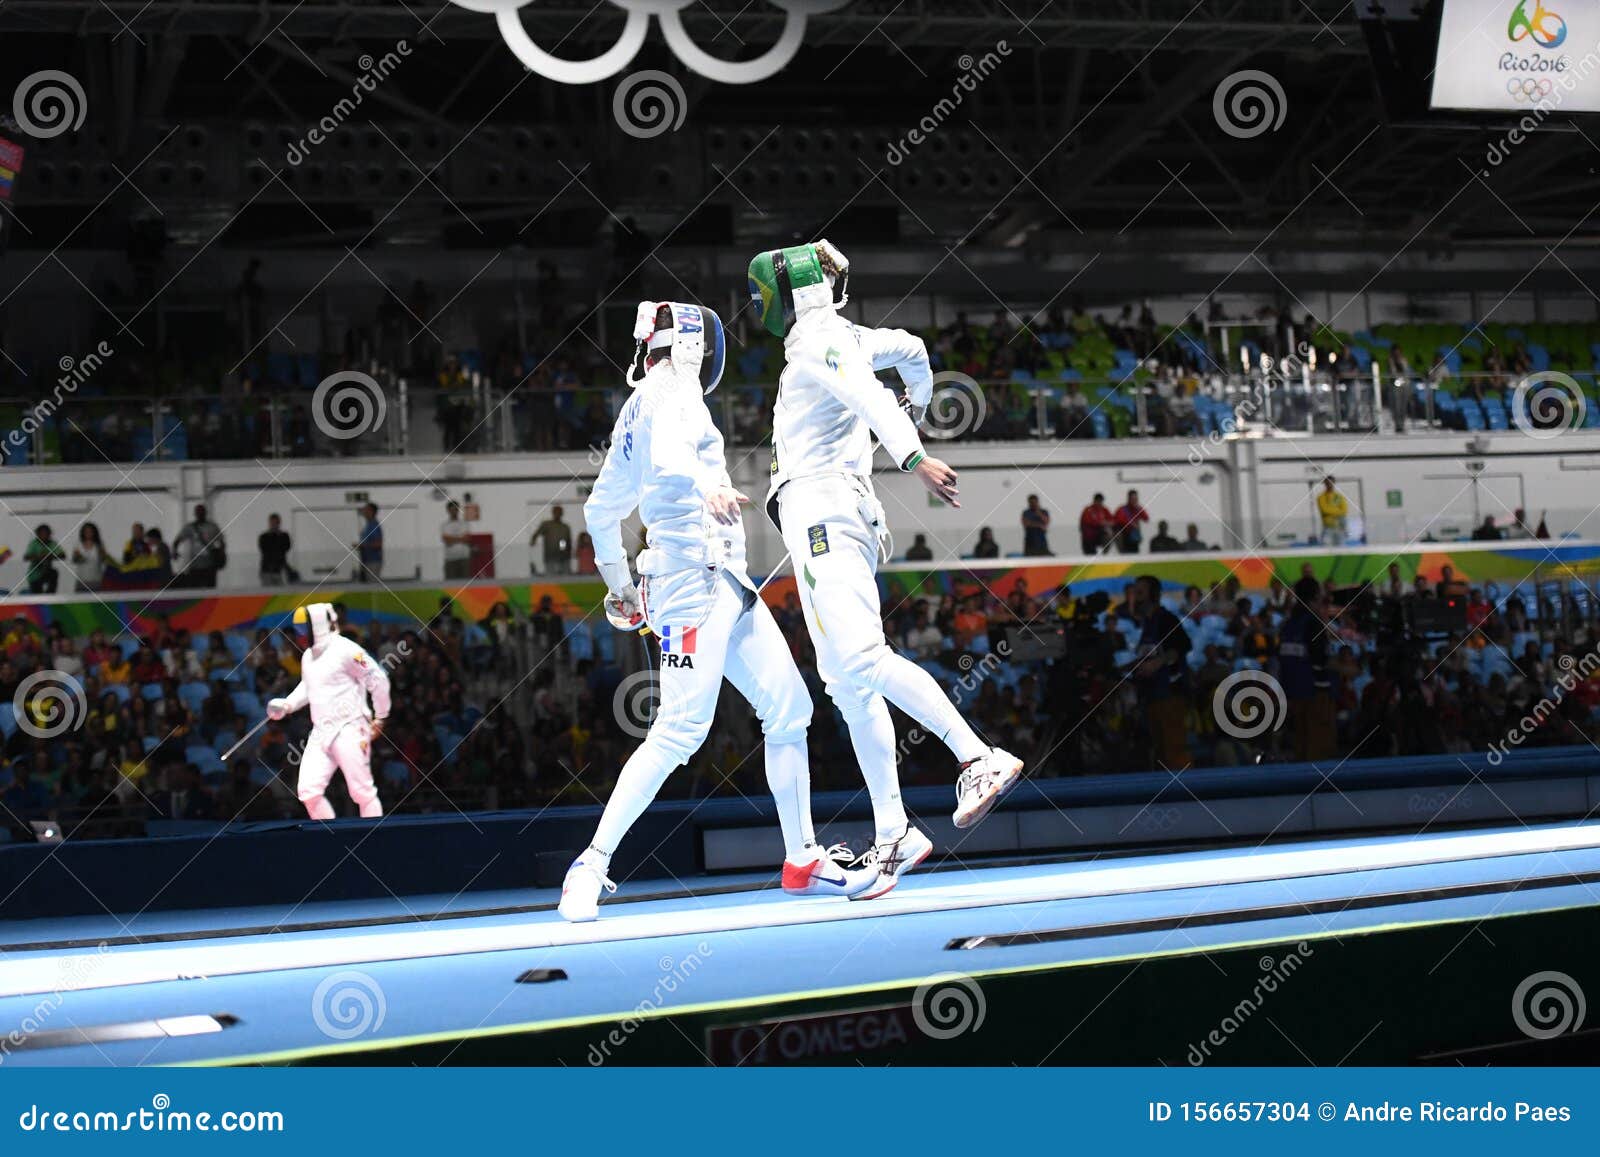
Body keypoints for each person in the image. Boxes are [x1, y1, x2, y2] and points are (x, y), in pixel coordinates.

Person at [562, 299, 875, 921]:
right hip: (686, 583)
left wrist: (618, 588)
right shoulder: (666, 396)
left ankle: (803, 858)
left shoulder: (635, 411)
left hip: (725, 581)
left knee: (790, 709)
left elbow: (600, 514)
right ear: (689, 346)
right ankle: (591, 864)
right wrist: (705, 487)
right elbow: (675, 454)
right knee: (679, 731)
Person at [749, 239, 1022, 897]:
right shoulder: (848, 335)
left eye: (762, 295)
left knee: (861, 660)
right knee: (845, 680)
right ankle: (895, 831)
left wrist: (910, 451)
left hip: (825, 514)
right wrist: (919, 405)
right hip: (835, 516)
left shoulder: (820, 340)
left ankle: (978, 756)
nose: (758, 306)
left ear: (785, 296)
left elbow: (867, 394)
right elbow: (912, 352)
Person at [267, 602, 391, 820]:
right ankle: (329, 838)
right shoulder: (308, 656)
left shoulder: (346, 650)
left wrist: (381, 716)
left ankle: (376, 841)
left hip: (350, 727)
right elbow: (308, 686)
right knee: (308, 791)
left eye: (303, 629)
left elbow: (378, 678)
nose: (299, 635)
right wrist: (287, 705)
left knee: (362, 792)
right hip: (321, 731)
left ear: (318, 626)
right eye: (298, 630)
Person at [1129, 575, 1191, 770]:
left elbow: (1182, 645)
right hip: (1151, 695)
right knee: (1160, 750)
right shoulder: (1147, 624)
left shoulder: (1166, 619)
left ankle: (1186, 790)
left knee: (1173, 747)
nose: (1135, 597)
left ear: (1153, 595)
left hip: (1168, 694)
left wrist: (1156, 664)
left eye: (1140, 592)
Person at [1279, 576, 1335, 761]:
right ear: (1316, 596)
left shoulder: (1289, 624)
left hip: (1293, 693)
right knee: (1318, 746)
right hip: (1314, 694)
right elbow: (1321, 659)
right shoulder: (1312, 623)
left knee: (1301, 745)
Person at [173, 504, 225, 588]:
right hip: (195, 564)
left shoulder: (212, 526)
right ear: (195, 514)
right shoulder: (190, 527)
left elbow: (221, 541)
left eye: (202, 512)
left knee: (210, 588)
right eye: (198, 512)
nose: (200, 514)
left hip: (210, 563)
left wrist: (220, 554)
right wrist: (174, 551)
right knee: (195, 589)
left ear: (205, 513)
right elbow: (177, 540)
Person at [530, 505, 573, 576]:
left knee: (565, 579)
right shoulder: (547, 524)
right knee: (551, 578)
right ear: (553, 513)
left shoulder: (565, 527)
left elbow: (565, 542)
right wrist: (533, 541)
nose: (557, 514)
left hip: (563, 558)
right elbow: (536, 534)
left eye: (559, 512)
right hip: (550, 557)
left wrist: (567, 553)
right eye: (556, 512)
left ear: (562, 513)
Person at [24, 524, 64, 595]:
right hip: (35, 574)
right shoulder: (34, 543)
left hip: (47, 572)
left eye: (46, 533)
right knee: (37, 596)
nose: (43, 535)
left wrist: (50, 555)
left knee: (54, 573)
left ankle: (50, 595)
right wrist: (38, 557)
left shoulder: (52, 543)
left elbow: (62, 555)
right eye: (41, 533)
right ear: (38, 534)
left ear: (49, 534)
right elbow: (26, 557)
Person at [70, 522, 110, 592]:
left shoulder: (99, 544)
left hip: (96, 581)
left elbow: (104, 559)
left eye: (90, 531)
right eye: (86, 531)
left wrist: (102, 554)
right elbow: (74, 559)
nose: (88, 533)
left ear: (94, 532)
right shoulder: (78, 544)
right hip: (82, 581)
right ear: (83, 533)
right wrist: (79, 558)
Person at [1111, 489, 1149, 554]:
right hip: (1124, 535)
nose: (1134, 500)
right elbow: (1118, 520)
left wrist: (1139, 509)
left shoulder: (1138, 509)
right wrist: (1131, 524)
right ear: (1128, 499)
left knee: (1135, 552)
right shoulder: (1122, 509)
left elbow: (1146, 518)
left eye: (1136, 498)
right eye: (1132, 498)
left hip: (1134, 536)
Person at [441, 500, 472, 580]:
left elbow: (467, 539)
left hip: (464, 559)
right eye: (451, 509)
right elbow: (447, 540)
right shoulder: (445, 525)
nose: (454, 511)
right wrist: (460, 538)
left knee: (466, 585)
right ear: (448, 510)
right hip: (450, 559)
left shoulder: (465, 524)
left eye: (455, 509)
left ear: (458, 510)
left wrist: (452, 539)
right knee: (451, 587)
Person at [259, 513, 292, 585]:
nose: (274, 525)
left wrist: (278, 536)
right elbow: (264, 550)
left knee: (281, 589)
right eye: (272, 522)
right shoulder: (264, 536)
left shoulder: (284, 536)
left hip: (280, 569)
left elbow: (286, 548)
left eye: (275, 522)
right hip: (266, 569)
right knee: (267, 590)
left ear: (279, 523)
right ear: (269, 523)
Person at [1316, 476, 1349, 547]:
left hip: (1339, 528)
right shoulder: (1321, 497)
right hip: (1328, 527)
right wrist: (1337, 511)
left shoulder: (1339, 496)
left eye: (1331, 482)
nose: (1329, 484)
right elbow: (1324, 510)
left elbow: (1344, 511)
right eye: (1327, 483)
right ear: (1325, 484)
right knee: (1325, 548)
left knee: (1341, 548)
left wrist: (1331, 511)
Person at [356, 502, 383, 582]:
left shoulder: (374, 525)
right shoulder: (368, 525)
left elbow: (378, 544)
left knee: (373, 587)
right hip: (367, 561)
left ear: (371, 511)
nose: (363, 512)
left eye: (365, 510)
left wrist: (363, 545)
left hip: (373, 562)